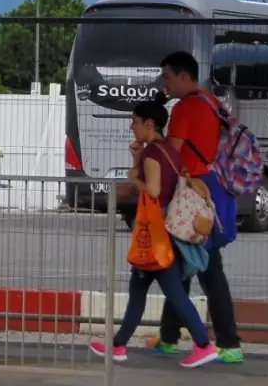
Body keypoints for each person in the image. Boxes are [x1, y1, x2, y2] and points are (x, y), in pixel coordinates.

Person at [89, 94, 220, 369]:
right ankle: (119, 345)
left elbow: (154, 191)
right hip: (165, 232)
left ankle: (204, 344)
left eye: (135, 121)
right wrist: (136, 159)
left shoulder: (152, 153)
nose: (131, 127)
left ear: (149, 124)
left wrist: (133, 177)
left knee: (172, 293)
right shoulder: (169, 151)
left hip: (156, 234)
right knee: (142, 289)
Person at [155, 51, 244, 364]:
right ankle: (168, 336)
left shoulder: (184, 108)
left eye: (166, 76)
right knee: (183, 264)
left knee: (207, 268)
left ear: (183, 76)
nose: (163, 83)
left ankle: (229, 343)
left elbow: (173, 154)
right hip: (212, 189)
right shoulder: (209, 100)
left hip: (191, 192)